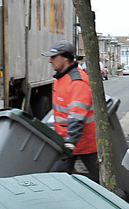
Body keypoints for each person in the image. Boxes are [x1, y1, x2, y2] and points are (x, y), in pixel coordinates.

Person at [42, 40, 98, 181]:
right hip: (69, 142)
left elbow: (76, 115)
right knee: (57, 178)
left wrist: (70, 142)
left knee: (102, 179)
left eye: (54, 57)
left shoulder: (76, 82)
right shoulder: (61, 79)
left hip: (83, 143)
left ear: (65, 58)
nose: (50, 61)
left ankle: (120, 198)